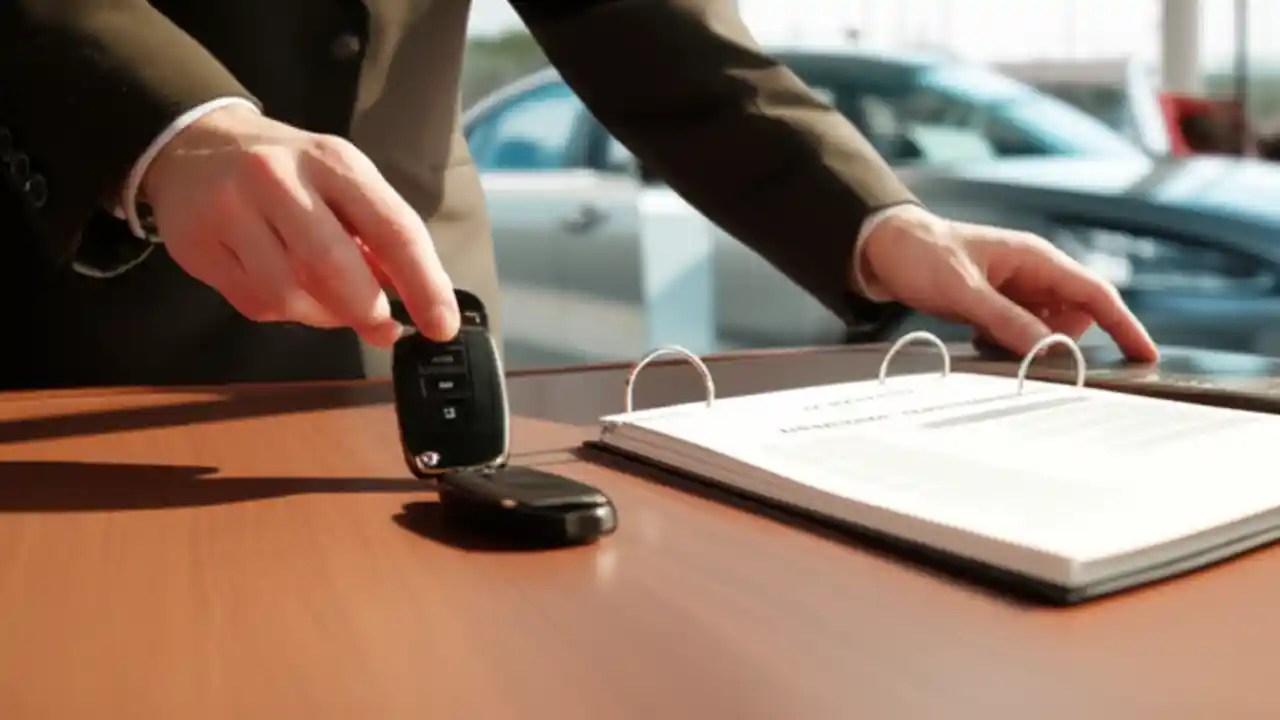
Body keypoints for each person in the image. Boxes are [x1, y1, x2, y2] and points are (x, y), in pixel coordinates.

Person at [0, 1, 1157, 390]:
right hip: (58, 337)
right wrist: (168, 123)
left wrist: (876, 219)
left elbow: (630, 15)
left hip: (421, 342)